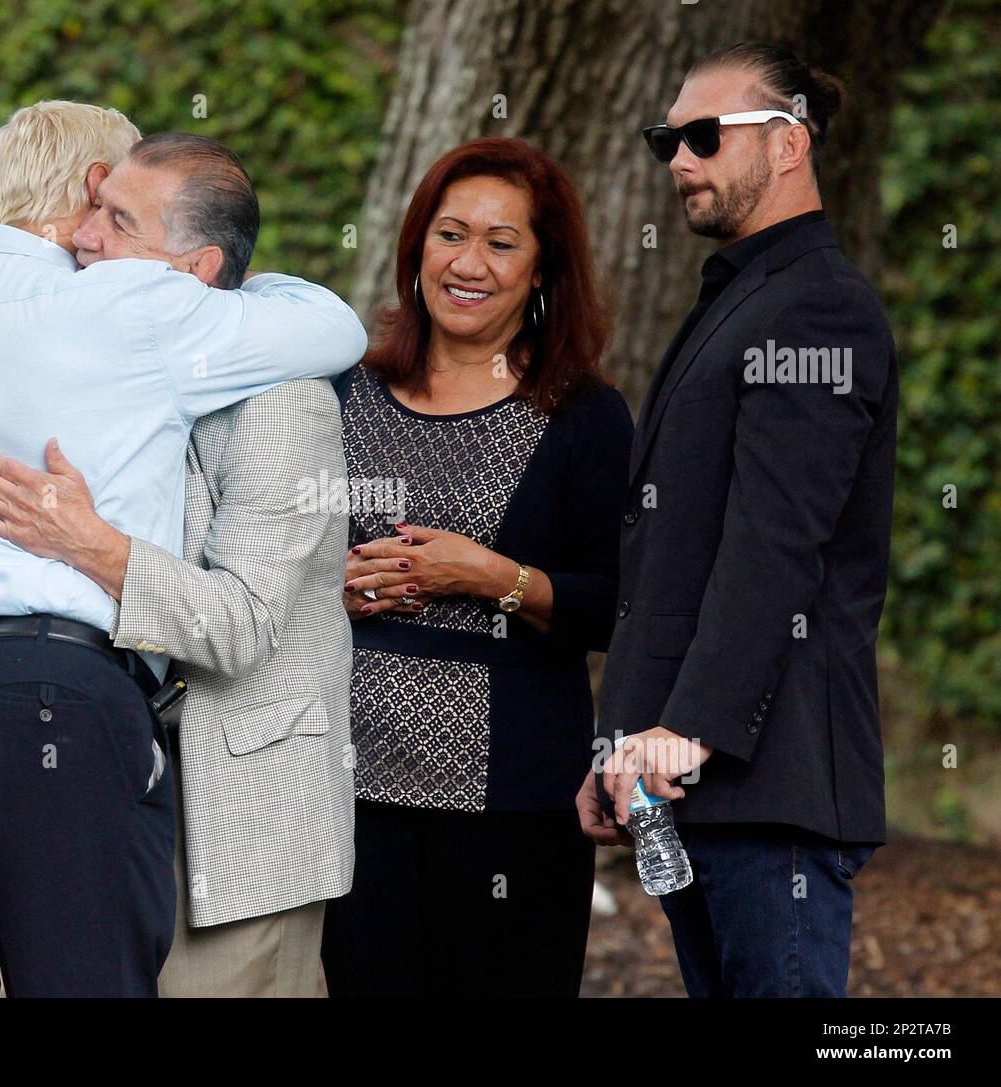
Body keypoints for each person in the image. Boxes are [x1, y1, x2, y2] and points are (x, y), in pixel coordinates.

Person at [0, 102, 366, 997]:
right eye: (102, 206)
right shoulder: (134, 305)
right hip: (50, 703)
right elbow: (337, 324)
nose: (91, 234)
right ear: (86, 185)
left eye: (116, 220)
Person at [577, 42, 897, 998]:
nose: (679, 159)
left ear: (789, 143)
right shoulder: (743, 295)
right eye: (666, 139)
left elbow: (774, 548)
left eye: (704, 136)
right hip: (696, 781)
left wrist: (684, 731)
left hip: (770, 783)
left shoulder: (819, 311)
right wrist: (620, 745)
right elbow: (671, 559)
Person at [319, 137, 634, 996]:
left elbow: (621, 607)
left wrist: (494, 577)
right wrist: (328, 588)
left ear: (542, 271)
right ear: (417, 245)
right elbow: (266, 568)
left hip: (512, 807)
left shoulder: (583, 417)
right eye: (450, 234)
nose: (469, 263)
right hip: (347, 792)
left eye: (502, 243)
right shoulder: (340, 393)